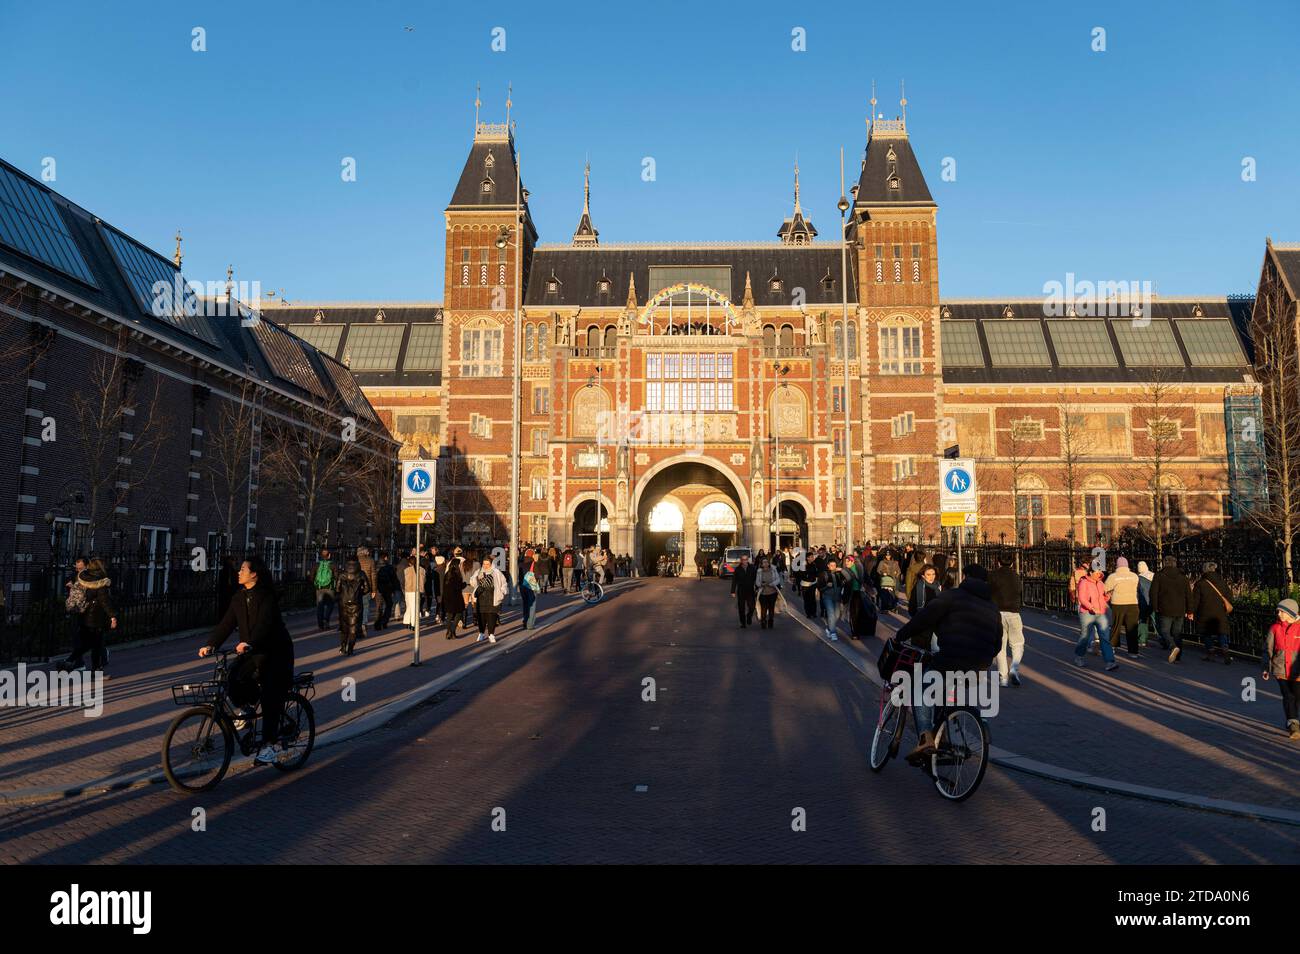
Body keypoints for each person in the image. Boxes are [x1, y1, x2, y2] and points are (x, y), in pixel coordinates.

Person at [895, 564, 1001, 763]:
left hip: (951, 659)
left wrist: (901, 635)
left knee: (921, 689)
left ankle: (926, 738)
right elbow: (998, 644)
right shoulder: (992, 607)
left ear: (966, 577)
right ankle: (942, 737)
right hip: (979, 667)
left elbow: (923, 618)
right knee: (942, 689)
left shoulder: (951, 596)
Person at [200, 556, 293, 765]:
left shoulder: (266, 597)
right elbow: (226, 624)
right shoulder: (238, 598)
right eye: (239, 569)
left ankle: (270, 745)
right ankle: (248, 709)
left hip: (275, 652)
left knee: (270, 694)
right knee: (233, 675)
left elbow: (265, 625)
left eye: (243, 569)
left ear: (254, 574)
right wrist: (211, 644)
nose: (239, 572)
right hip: (252, 650)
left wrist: (249, 642)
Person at [68, 558, 117, 677]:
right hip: (95, 617)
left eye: (79, 568)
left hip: (84, 615)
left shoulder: (82, 579)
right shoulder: (100, 581)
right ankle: (68, 663)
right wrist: (112, 616)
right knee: (92, 644)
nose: (77, 570)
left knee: (92, 644)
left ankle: (92, 668)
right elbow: (104, 600)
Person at [1262, 599, 1300, 739]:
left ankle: (1292, 718)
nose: (1278, 614)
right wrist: (1266, 667)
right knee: (1288, 695)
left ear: (1290, 613)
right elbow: (1267, 649)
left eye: (1282, 611)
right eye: (1278, 611)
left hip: (1297, 671)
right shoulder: (1275, 628)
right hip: (1280, 669)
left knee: (1296, 697)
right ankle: (1293, 724)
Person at [988, 555, 1024, 687]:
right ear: (1012, 564)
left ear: (998, 563)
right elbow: (1020, 591)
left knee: (1000, 646)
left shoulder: (992, 575)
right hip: (1013, 612)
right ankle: (1014, 668)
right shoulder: (1016, 576)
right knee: (1018, 643)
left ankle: (1003, 678)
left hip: (997, 613)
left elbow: (988, 591)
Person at [1074, 564, 1118, 671]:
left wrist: (1107, 596)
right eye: (1097, 571)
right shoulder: (1083, 582)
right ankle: (1079, 656)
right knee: (1085, 636)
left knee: (1104, 637)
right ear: (1090, 572)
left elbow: (1102, 598)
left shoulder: (1100, 583)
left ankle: (1110, 661)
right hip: (1087, 613)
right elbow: (1082, 598)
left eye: (1100, 571)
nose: (1099, 573)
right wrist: (1091, 607)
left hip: (1100, 613)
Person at [1150, 556, 1192, 662]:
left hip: (1165, 608)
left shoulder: (1159, 575)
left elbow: (1153, 592)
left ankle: (1173, 646)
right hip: (1180, 608)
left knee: (1164, 631)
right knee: (1177, 632)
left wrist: (1155, 606)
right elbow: (1188, 594)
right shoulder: (1183, 577)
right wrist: (1190, 610)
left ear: (1164, 563)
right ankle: (1178, 655)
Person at [1192, 562, 1233, 664]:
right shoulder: (1222, 582)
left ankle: (1210, 652)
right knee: (1221, 632)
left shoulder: (1200, 584)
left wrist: (1191, 611)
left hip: (1205, 612)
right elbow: (1230, 597)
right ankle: (1225, 648)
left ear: (1204, 570)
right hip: (1220, 612)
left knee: (1207, 633)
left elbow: (1195, 600)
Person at [1105, 556, 1143, 657]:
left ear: (1117, 565)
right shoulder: (1134, 576)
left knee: (1116, 625)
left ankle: (1113, 646)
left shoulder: (1113, 576)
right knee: (1132, 628)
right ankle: (1133, 651)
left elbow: (1106, 588)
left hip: (1118, 603)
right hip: (1132, 603)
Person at [334, 556, 369, 656]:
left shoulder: (342, 574)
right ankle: (350, 648)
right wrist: (359, 593)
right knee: (353, 627)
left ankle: (343, 647)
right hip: (356, 604)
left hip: (343, 604)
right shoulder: (361, 574)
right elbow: (367, 588)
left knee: (344, 626)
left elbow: (337, 589)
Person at [468, 557, 508, 643]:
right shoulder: (478, 572)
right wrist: (476, 578)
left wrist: (502, 591)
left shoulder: (496, 572)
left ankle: (491, 634)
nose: (485, 566)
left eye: (487, 564)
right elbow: (471, 581)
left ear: (491, 564)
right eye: (484, 564)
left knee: (492, 617)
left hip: (493, 597)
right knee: (481, 617)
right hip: (481, 597)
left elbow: (504, 583)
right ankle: (481, 633)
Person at [730, 553, 758, 628]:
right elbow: (734, 581)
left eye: (746, 559)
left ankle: (749, 616)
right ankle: (743, 623)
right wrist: (733, 591)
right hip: (741, 590)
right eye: (743, 560)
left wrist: (758, 587)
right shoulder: (737, 569)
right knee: (741, 608)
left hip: (750, 590)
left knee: (752, 606)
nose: (745, 561)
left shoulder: (752, 568)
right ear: (741, 561)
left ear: (748, 560)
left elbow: (756, 579)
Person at [817, 558, 842, 641]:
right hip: (827, 597)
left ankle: (829, 628)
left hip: (837, 597)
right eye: (831, 566)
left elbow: (844, 582)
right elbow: (819, 587)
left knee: (837, 615)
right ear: (828, 566)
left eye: (834, 565)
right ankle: (833, 632)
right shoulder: (824, 574)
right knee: (831, 614)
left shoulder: (839, 573)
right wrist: (827, 586)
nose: (833, 567)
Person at [441, 557, 466, 639]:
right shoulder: (457, 574)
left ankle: (448, 632)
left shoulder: (447, 574)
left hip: (447, 597)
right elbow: (458, 586)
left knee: (449, 615)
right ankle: (452, 630)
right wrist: (464, 584)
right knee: (458, 614)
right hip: (456, 597)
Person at [313, 549, 336, 631]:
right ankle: (326, 619)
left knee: (320, 606)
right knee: (330, 605)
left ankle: (320, 625)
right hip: (329, 588)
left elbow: (312, 576)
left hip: (319, 588)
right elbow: (336, 576)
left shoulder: (317, 564)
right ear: (329, 555)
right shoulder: (332, 565)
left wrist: (315, 584)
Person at [375, 552, 400, 631]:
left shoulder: (375, 566)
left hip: (378, 589)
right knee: (389, 604)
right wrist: (395, 588)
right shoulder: (389, 567)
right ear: (385, 558)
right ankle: (384, 621)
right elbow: (394, 579)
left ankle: (377, 623)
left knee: (378, 606)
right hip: (387, 589)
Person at [356, 545, 377, 635]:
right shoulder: (370, 561)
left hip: (354, 587)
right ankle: (364, 623)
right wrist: (374, 590)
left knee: (356, 606)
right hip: (366, 587)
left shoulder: (355, 560)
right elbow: (373, 576)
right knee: (365, 606)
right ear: (365, 552)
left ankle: (356, 623)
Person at [755, 556, 781, 629]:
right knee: (763, 608)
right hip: (763, 593)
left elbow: (778, 579)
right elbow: (757, 582)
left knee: (771, 608)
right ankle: (763, 621)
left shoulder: (773, 569)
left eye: (767, 562)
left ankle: (770, 620)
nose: (765, 563)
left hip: (772, 592)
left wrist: (772, 583)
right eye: (764, 562)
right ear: (761, 564)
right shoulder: (759, 571)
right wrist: (761, 584)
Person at [402, 554, 425, 628]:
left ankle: (407, 621)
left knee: (409, 607)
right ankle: (413, 624)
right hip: (417, 590)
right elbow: (424, 580)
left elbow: (403, 581)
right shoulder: (421, 569)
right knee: (414, 608)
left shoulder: (406, 570)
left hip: (408, 590)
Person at [1136, 560, 1154, 649]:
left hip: (1143, 602)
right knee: (1157, 621)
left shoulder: (1138, 578)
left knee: (1143, 620)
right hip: (1153, 602)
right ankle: (1164, 640)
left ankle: (1142, 640)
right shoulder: (1153, 575)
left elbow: (1137, 592)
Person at [521, 551, 540, 630]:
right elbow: (537, 575)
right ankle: (530, 624)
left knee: (525, 605)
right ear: (533, 555)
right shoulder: (534, 563)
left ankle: (525, 622)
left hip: (522, 586)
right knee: (532, 605)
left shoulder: (520, 563)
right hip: (531, 587)